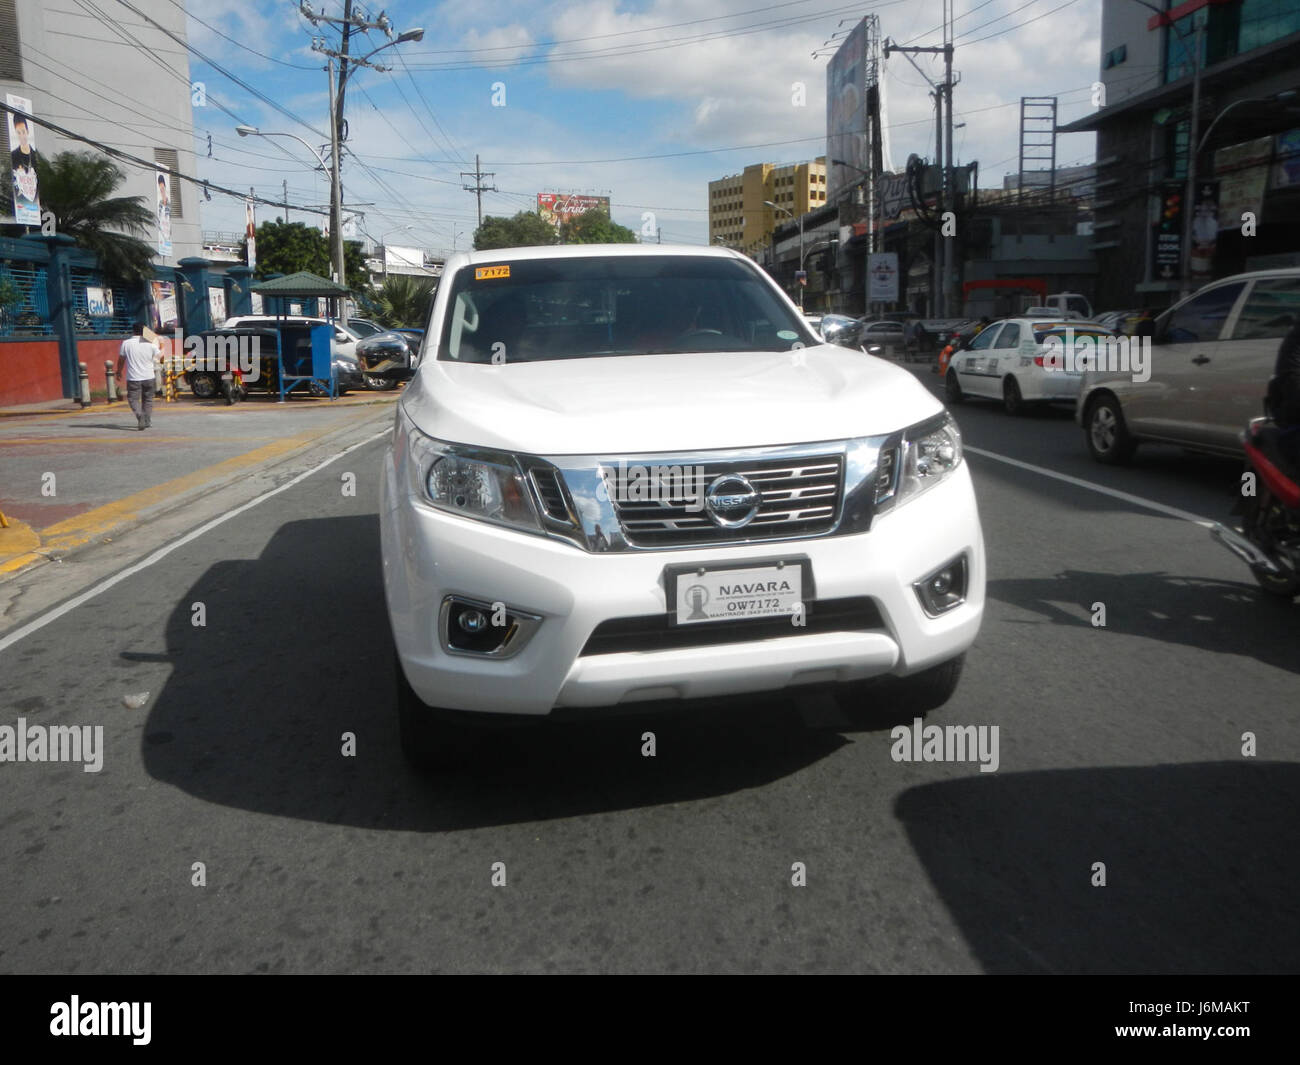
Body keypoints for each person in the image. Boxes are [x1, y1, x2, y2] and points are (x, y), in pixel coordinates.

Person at [117, 321, 161, 430]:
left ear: (133, 330)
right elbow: (160, 356)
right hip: (149, 376)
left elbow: (121, 360)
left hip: (133, 378)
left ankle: (140, 416)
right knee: (148, 399)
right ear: (144, 331)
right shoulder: (151, 343)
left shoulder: (126, 343)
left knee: (133, 399)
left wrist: (118, 371)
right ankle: (147, 420)